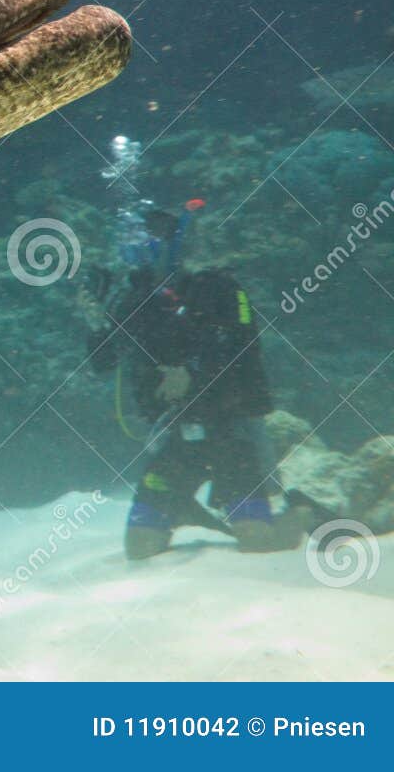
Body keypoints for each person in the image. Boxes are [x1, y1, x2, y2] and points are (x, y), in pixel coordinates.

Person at [84, 202, 303, 558]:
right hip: (176, 443)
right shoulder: (133, 303)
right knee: (139, 546)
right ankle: (181, 508)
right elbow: (103, 362)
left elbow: (241, 345)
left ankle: (301, 512)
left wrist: (193, 373)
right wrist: (95, 319)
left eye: (156, 239)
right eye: (138, 243)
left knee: (257, 540)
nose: (144, 253)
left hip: (228, 434)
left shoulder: (219, 288)